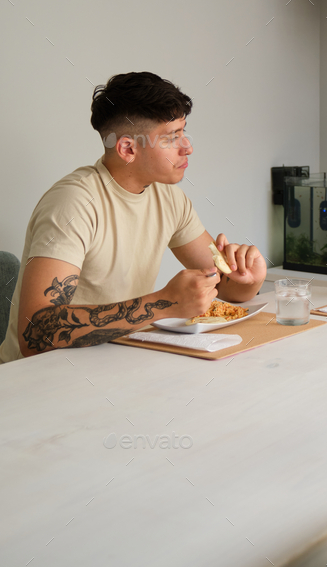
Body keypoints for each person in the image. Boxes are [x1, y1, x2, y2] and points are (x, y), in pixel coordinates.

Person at [0, 72, 267, 363]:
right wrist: (163, 304)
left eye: (183, 132)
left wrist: (250, 277)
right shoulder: (72, 203)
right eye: (171, 137)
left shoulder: (170, 199)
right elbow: (35, 334)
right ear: (128, 148)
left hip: (118, 364)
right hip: (37, 380)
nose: (187, 147)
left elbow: (225, 287)